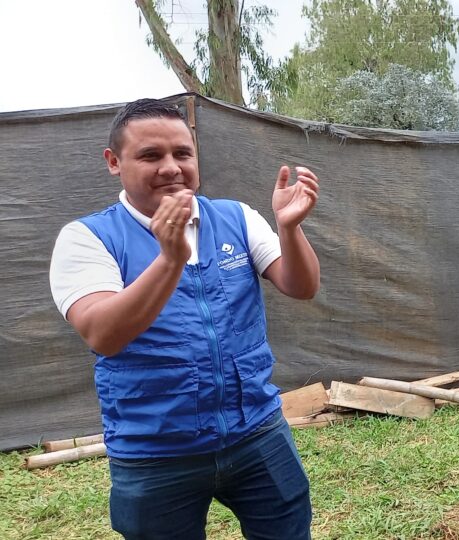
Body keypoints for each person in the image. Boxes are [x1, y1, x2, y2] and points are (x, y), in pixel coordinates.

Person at [48, 98, 322, 539]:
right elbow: (103, 333)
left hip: (257, 433)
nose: (171, 168)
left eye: (182, 153)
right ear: (113, 162)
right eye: (150, 156)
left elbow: (302, 286)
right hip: (155, 452)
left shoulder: (235, 217)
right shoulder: (87, 238)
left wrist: (289, 229)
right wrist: (170, 259)